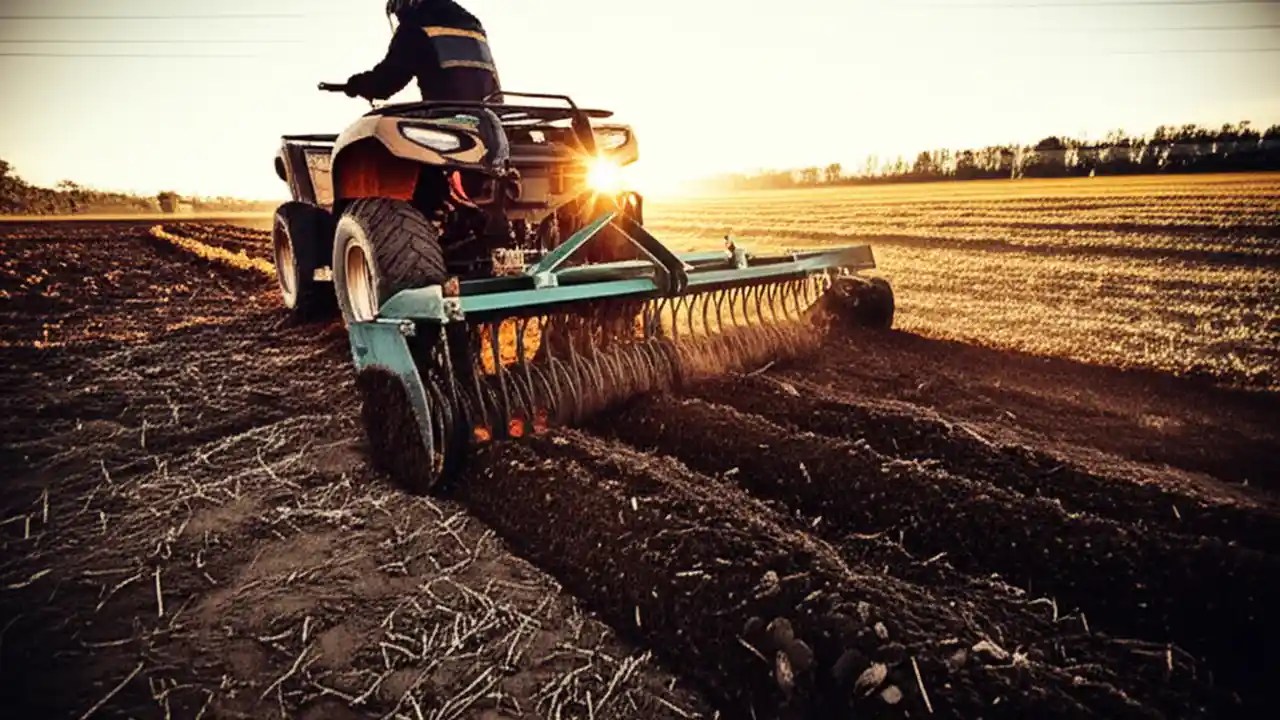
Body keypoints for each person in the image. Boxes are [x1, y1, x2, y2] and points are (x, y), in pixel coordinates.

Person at [343, 0, 502, 103]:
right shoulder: (472, 23)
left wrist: (357, 84)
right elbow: (492, 78)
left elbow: (386, 81)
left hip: (445, 120)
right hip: (486, 118)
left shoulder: (416, 25)